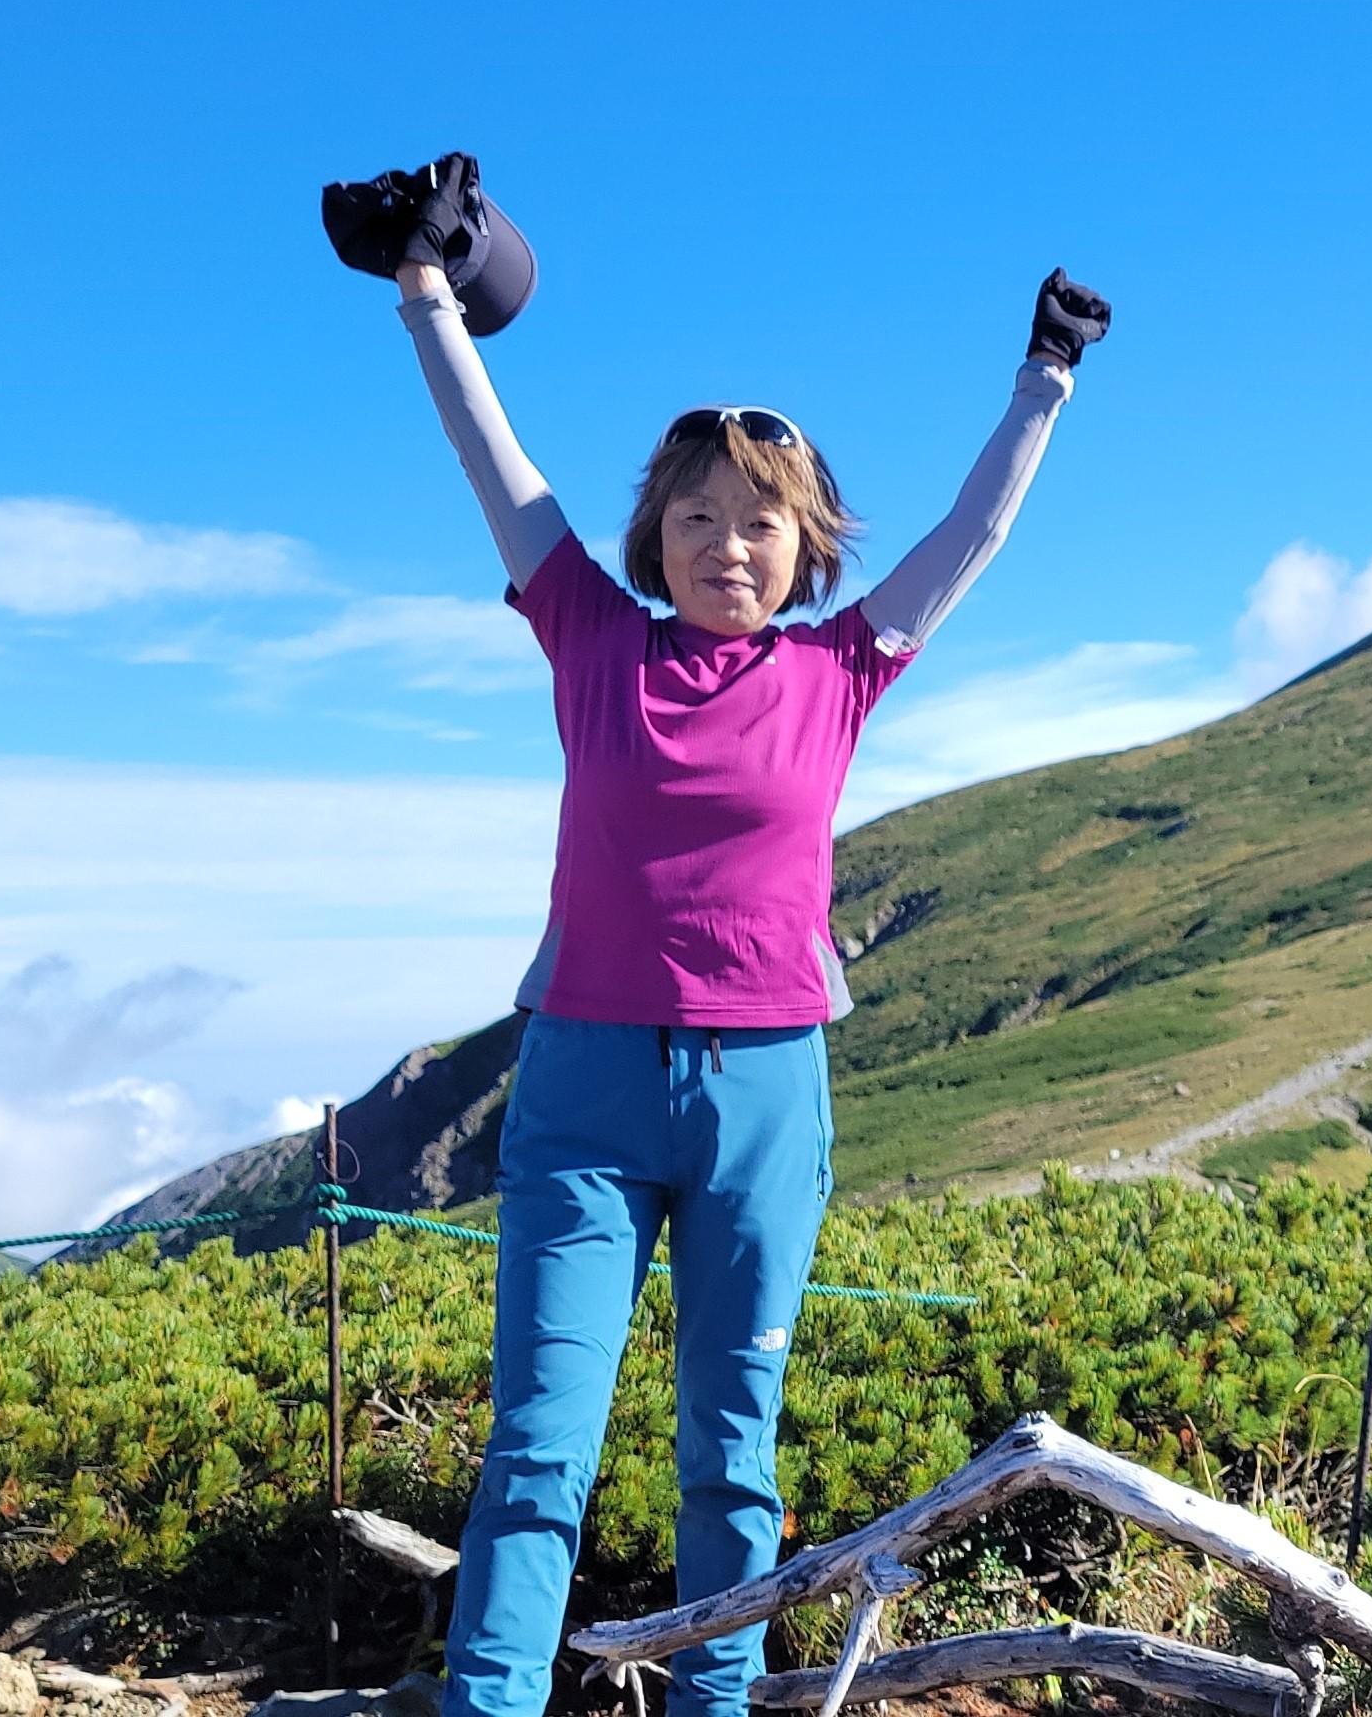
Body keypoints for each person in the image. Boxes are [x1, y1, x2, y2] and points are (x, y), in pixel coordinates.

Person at [350, 153, 1109, 1717]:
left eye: (761, 522)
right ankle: (488, 1702)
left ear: (806, 542)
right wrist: (429, 291)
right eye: (697, 516)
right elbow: (493, 461)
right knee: (540, 1440)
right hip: (583, 1092)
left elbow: (969, 539)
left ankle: (714, 1703)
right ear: (655, 535)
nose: (728, 544)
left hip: (768, 1095)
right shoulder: (586, 633)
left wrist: (1043, 382)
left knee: (732, 1447)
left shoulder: (842, 667)